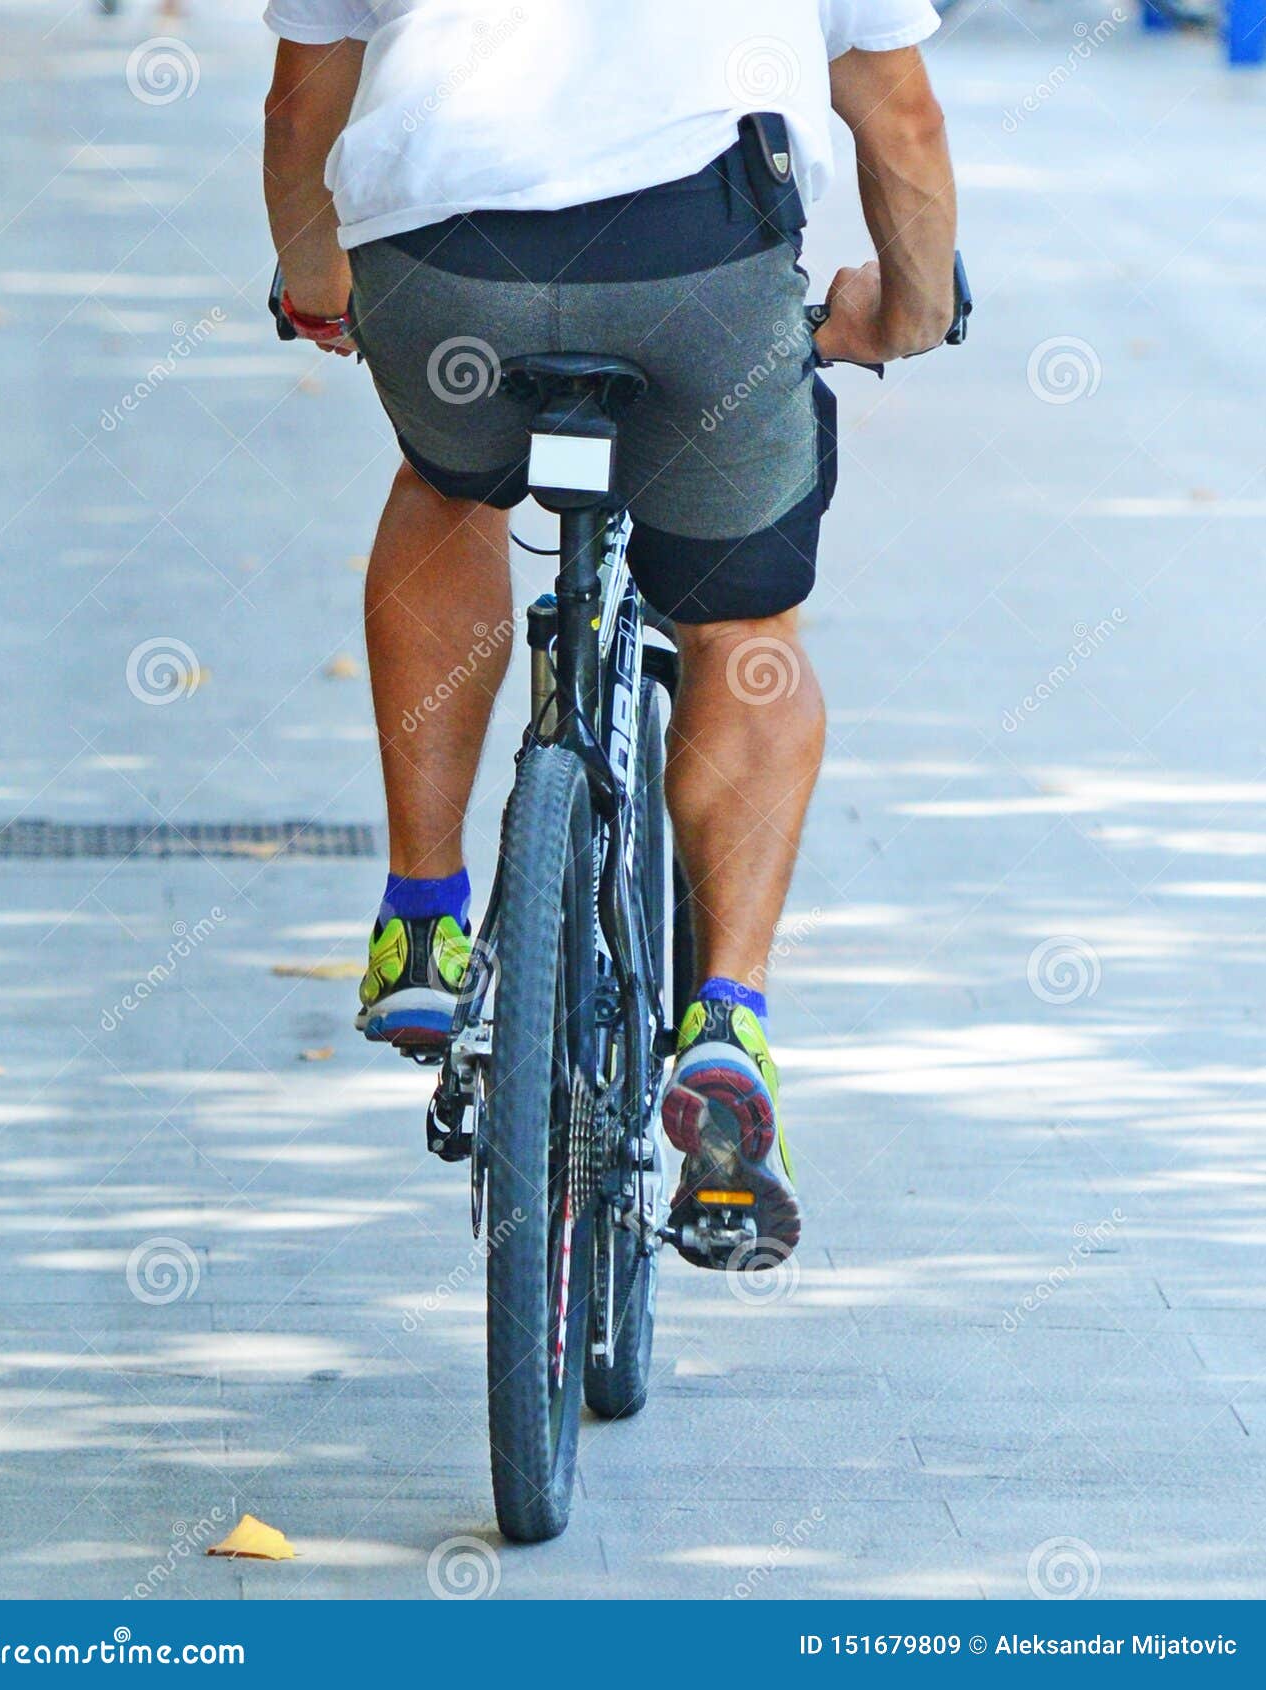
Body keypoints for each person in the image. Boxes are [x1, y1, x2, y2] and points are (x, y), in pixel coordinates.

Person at [262, 0, 956, 1264]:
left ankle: (422, 915)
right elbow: (897, 116)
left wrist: (319, 294)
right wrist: (903, 312)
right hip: (700, 266)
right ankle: (728, 1020)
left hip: (441, 259)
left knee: (449, 481)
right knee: (746, 622)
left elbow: (300, 110)